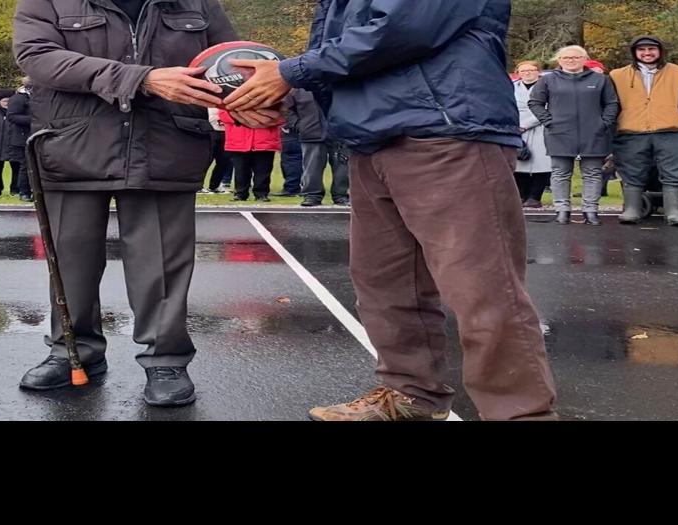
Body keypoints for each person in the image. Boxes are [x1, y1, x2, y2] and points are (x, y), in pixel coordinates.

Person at [226, 0, 558, 421]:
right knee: (386, 283)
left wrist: (290, 74)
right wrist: (283, 97)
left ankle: (521, 413)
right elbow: (349, 52)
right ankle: (411, 395)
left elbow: (403, 27)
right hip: (372, 136)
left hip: (447, 131)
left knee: (483, 289)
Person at [13, 0, 259, 407]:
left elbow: (232, 62)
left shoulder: (197, 3)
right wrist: (142, 79)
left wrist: (257, 98)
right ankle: (72, 352)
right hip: (71, 143)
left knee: (161, 264)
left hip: (167, 144)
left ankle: (166, 360)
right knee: (71, 260)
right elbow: (38, 57)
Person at [608, 35, 678, 226]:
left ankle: (674, 212)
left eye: (651, 49)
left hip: (672, 131)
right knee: (631, 170)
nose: (647, 53)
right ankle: (632, 209)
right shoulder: (616, 75)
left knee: (675, 171)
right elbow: (609, 102)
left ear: (660, 51)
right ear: (634, 52)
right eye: (641, 49)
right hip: (631, 132)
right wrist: (617, 121)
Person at [529, 45, 619, 223]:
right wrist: (549, 121)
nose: (571, 60)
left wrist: (604, 123)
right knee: (560, 173)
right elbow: (535, 102)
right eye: (567, 58)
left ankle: (590, 211)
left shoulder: (600, 80)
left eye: (576, 57)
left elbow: (612, 103)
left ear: (585, 59)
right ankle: (562, 211)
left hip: (594, 133)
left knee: (593, 173)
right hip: (559, 133)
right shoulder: (548, 80)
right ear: (559, 60)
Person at [511, 60, 551, 208]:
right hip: (516, 128)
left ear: (538, 71)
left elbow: (548, 107)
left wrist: (526, 124)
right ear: (518, 73)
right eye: (523, 71)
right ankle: (522, 195)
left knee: (541, 163)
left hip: (541, 127)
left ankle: (535, 196)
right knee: (519, 163)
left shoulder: (547, 86)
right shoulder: (511, 87)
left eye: (531, 70)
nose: (527, 73)